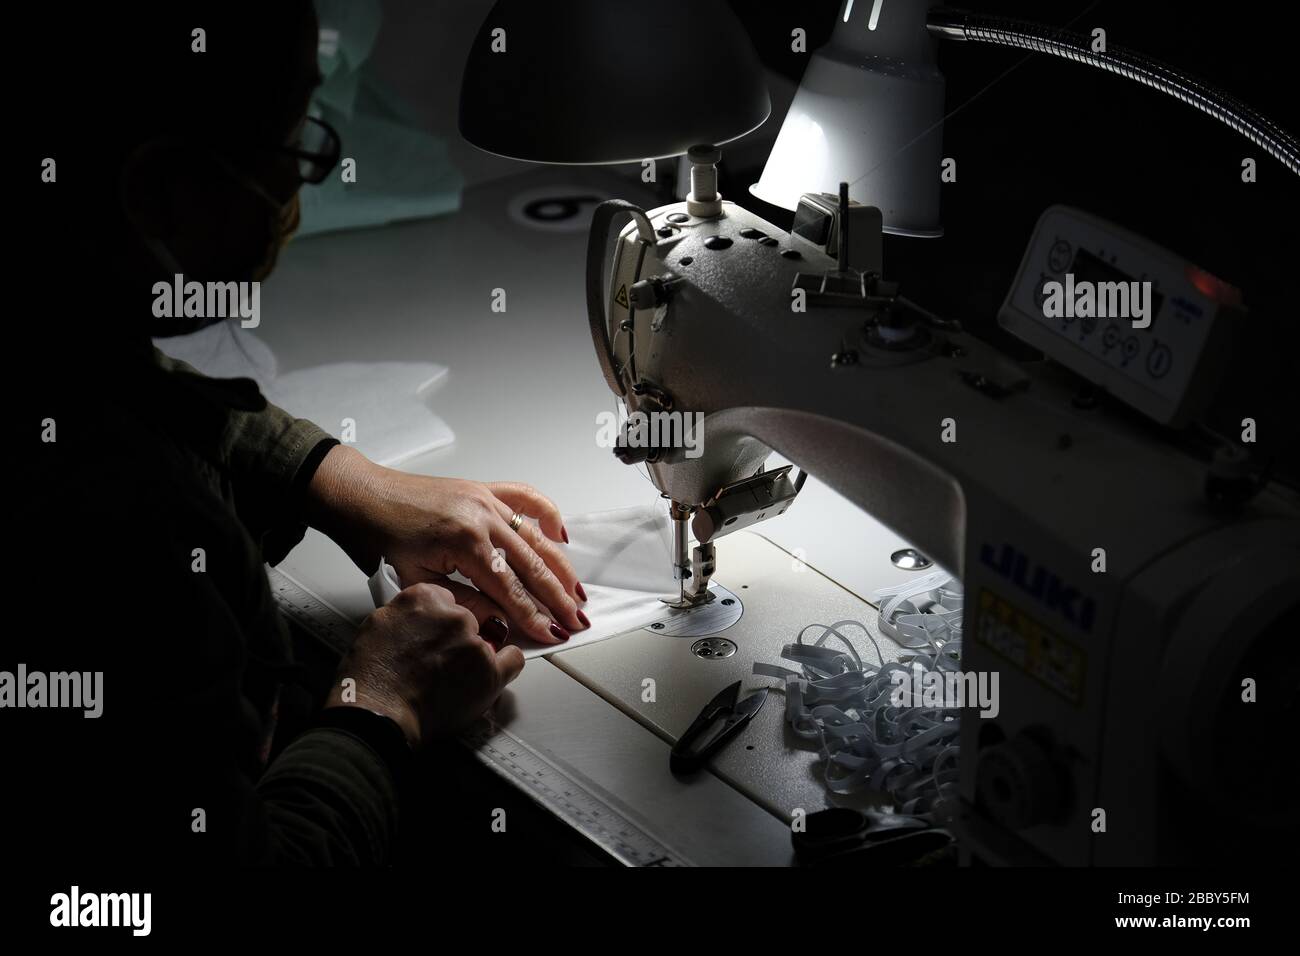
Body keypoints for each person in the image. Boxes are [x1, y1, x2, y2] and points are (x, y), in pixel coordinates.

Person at [13, 1, 587, 864]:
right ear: (158, 191)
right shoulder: (118, 543)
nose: (304, 174)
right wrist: (381, 706)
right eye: (290, 140)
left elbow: (110, 378)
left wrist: (330, 475)